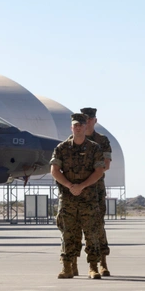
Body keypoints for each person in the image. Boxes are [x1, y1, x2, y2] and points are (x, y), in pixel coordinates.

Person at [50, 113, 106, 278]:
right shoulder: (61, 148)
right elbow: (54, 170)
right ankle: (67, 267)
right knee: (68, 234)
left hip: (88, 199)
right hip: (68, 199)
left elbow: (99, 171)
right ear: (71, 127)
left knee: (91, 233)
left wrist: (82, 186)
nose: (78, 128)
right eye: (75, 125)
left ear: (86, 127)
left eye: (81, 125)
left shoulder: (94, 148)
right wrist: (70, 186)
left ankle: (93, 267)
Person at [80, 108, 113, 276]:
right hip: (78, 189)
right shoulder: (74, 140)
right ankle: (71, 264)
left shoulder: (102, 140)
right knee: (74, 227)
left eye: (90, 119)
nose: (87, 122)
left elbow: (106, 165)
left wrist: (87, 174)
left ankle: (103, 262)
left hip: (96, 188)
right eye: (84, 119)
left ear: (95, 120)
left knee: (98, 225)